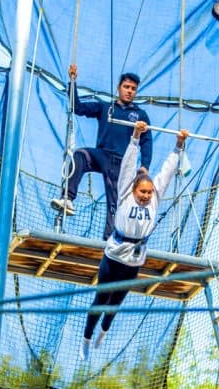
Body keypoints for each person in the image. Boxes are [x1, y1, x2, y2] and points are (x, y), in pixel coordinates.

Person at [80, 121, 189, 361]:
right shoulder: (126, 193)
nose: (146, 196)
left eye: (149, 193)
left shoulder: (155, 198)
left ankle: (104, 332)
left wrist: (179, 146)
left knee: (117, 300)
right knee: (101, 297)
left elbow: (166, 173)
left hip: (135, 258)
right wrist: (135, 137)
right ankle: (87, 337)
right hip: (115, 253)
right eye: (142, 192)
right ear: (134, 190)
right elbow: (129, 166)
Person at [51, 64, 153, 240]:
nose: (129, 91)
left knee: (115, 201)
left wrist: (145, 165)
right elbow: (78, 107)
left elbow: (146, 140)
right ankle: (67, 198)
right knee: (81, 155)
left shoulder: (140, 115)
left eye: (133, 89)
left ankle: (110, 239)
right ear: (119, 88)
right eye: (126, 87)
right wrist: (73, 82)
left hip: (122, 162)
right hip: (103, 155)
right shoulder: (106, 107)